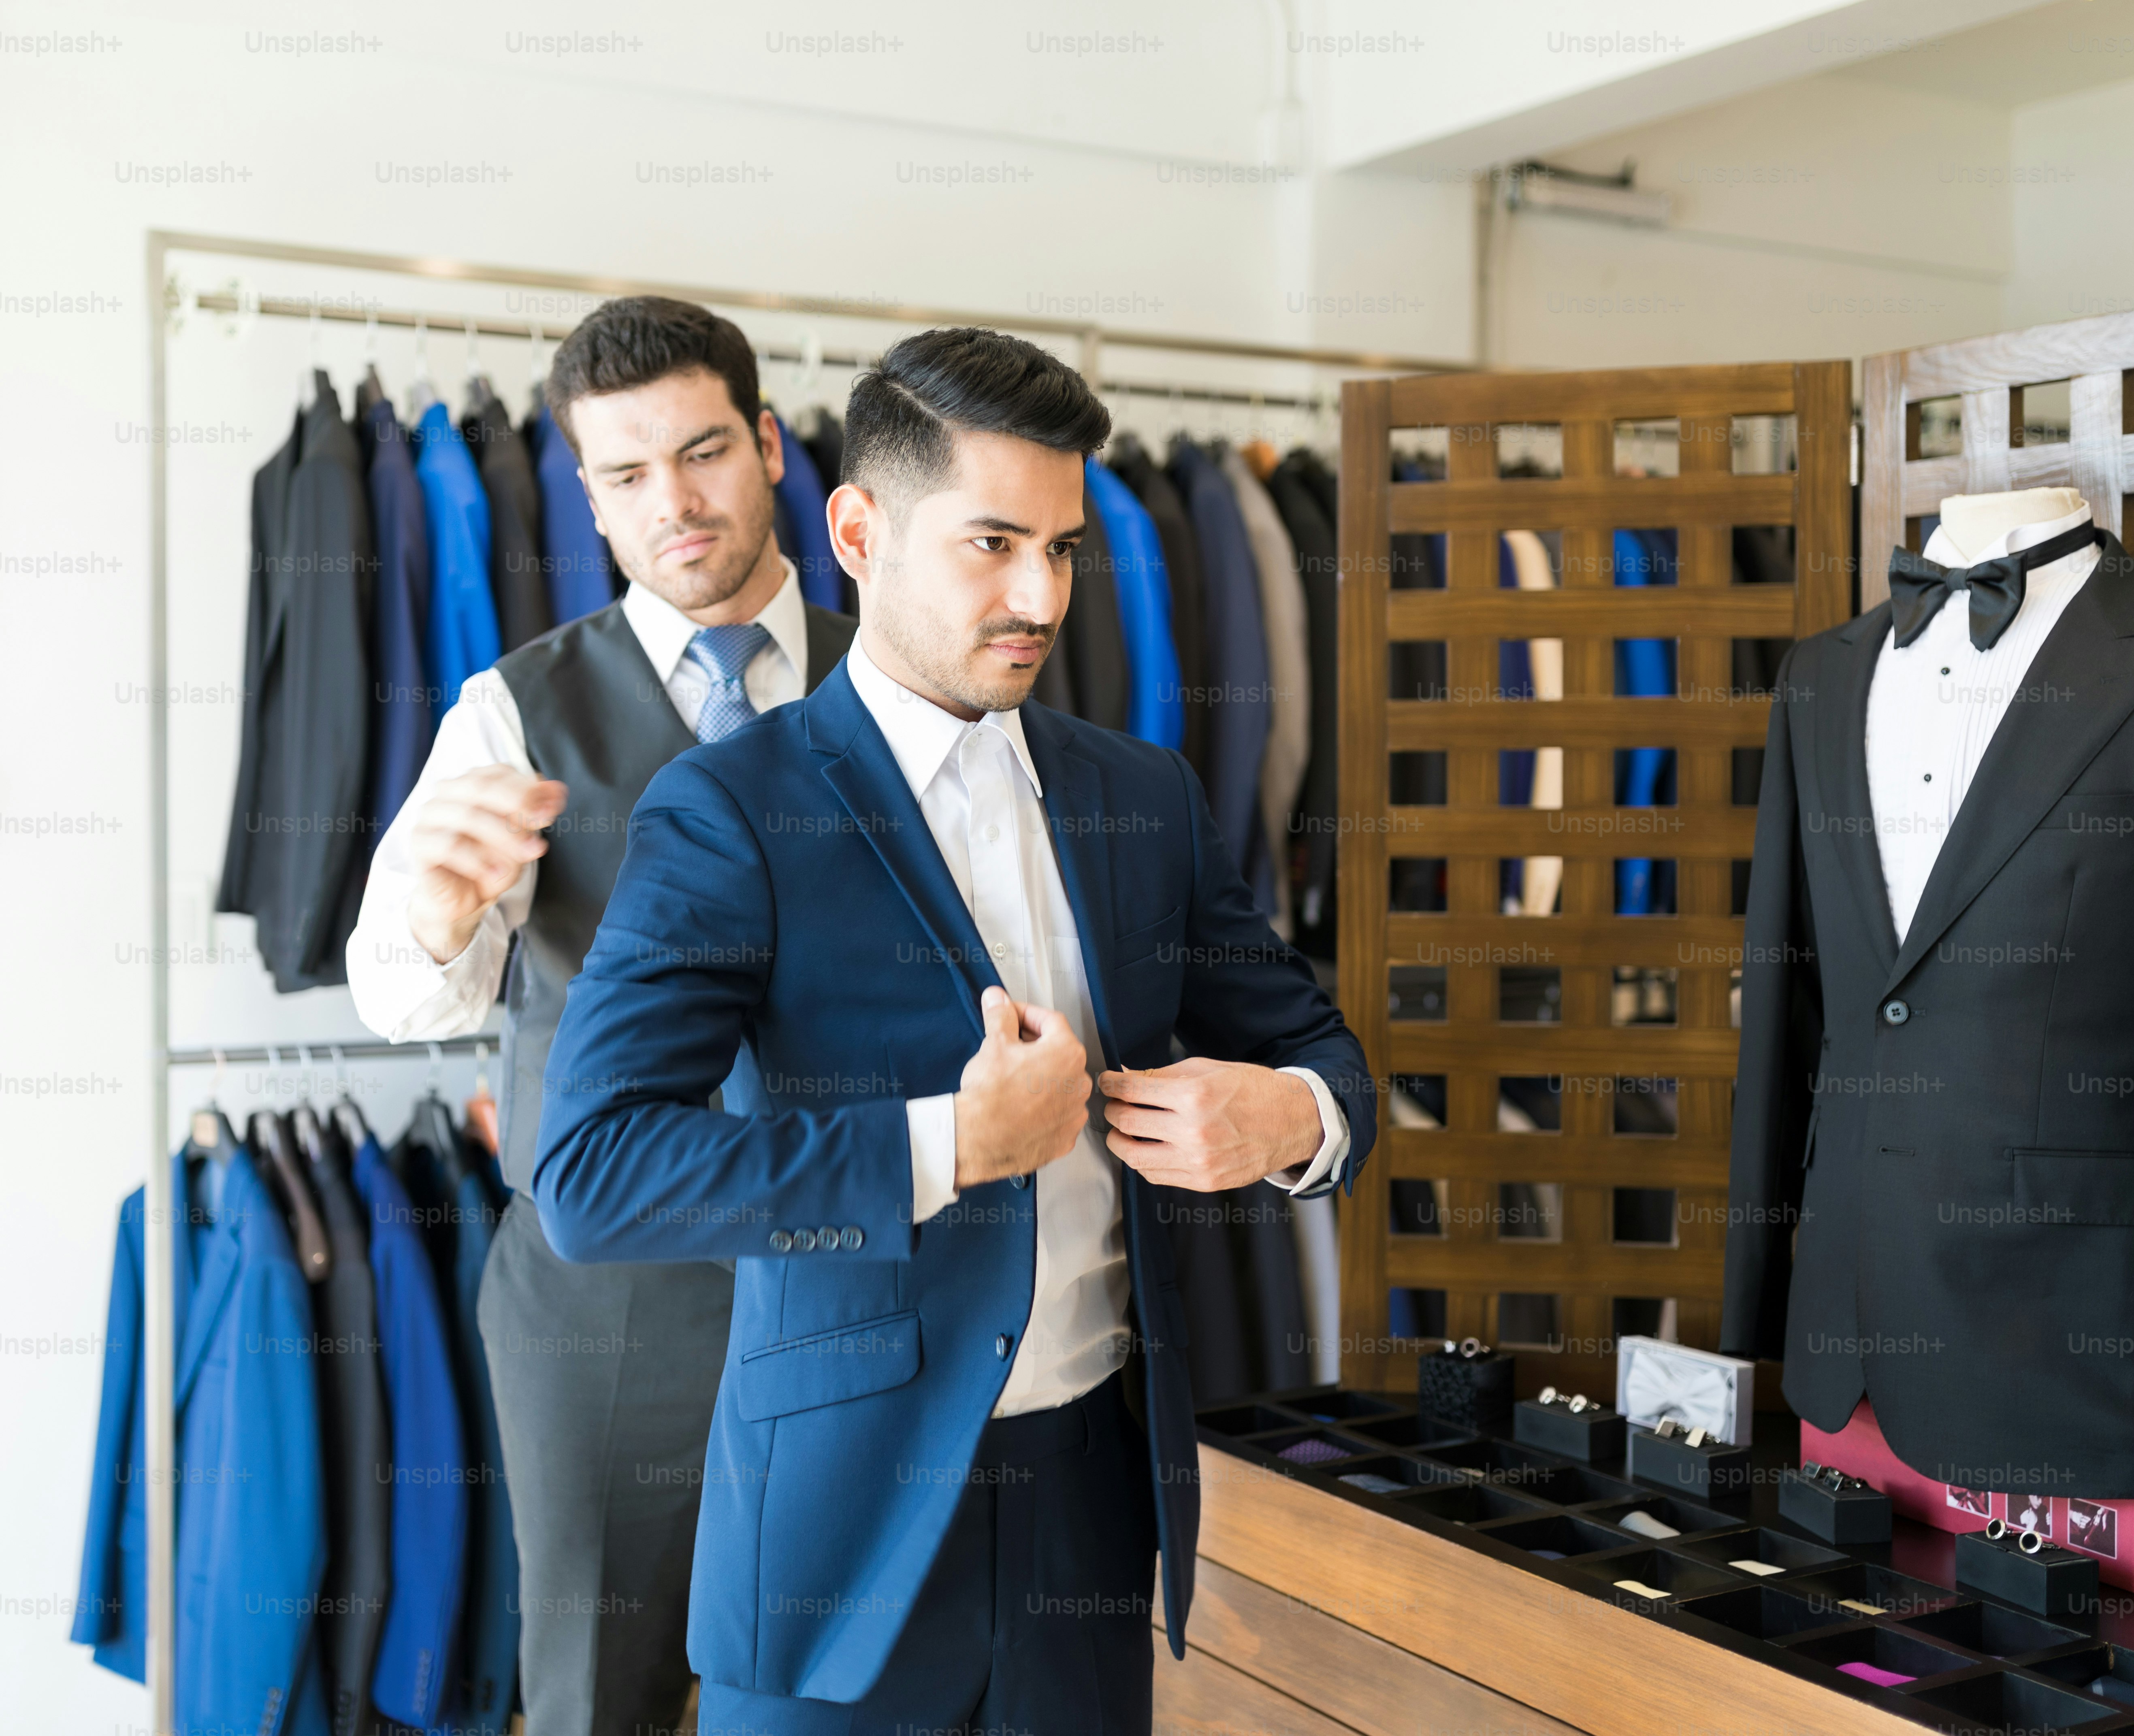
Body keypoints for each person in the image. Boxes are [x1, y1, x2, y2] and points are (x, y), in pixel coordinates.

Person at [531, 327, 1376, 1730]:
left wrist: (1293, 1120)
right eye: (992, 543)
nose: (1040, 593)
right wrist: (949, 1142)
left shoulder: (1145, 795)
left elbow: (1325, 1057)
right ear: (860, 532)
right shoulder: (730, 812)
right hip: (838, 1535)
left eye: (1062, 547)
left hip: (1094, 1515)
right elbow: (595, 1175)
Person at [345, 296, 857, 1736]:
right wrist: (442, 917)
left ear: (766, 446)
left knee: (849, 1679)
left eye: (702, 456)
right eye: (626, 478)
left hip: (860, 1252)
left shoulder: (897, 671)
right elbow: (396, 994)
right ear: (587, 490)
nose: (675, 507)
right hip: (610, 1290)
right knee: (595, 1693)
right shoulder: (511, 710)